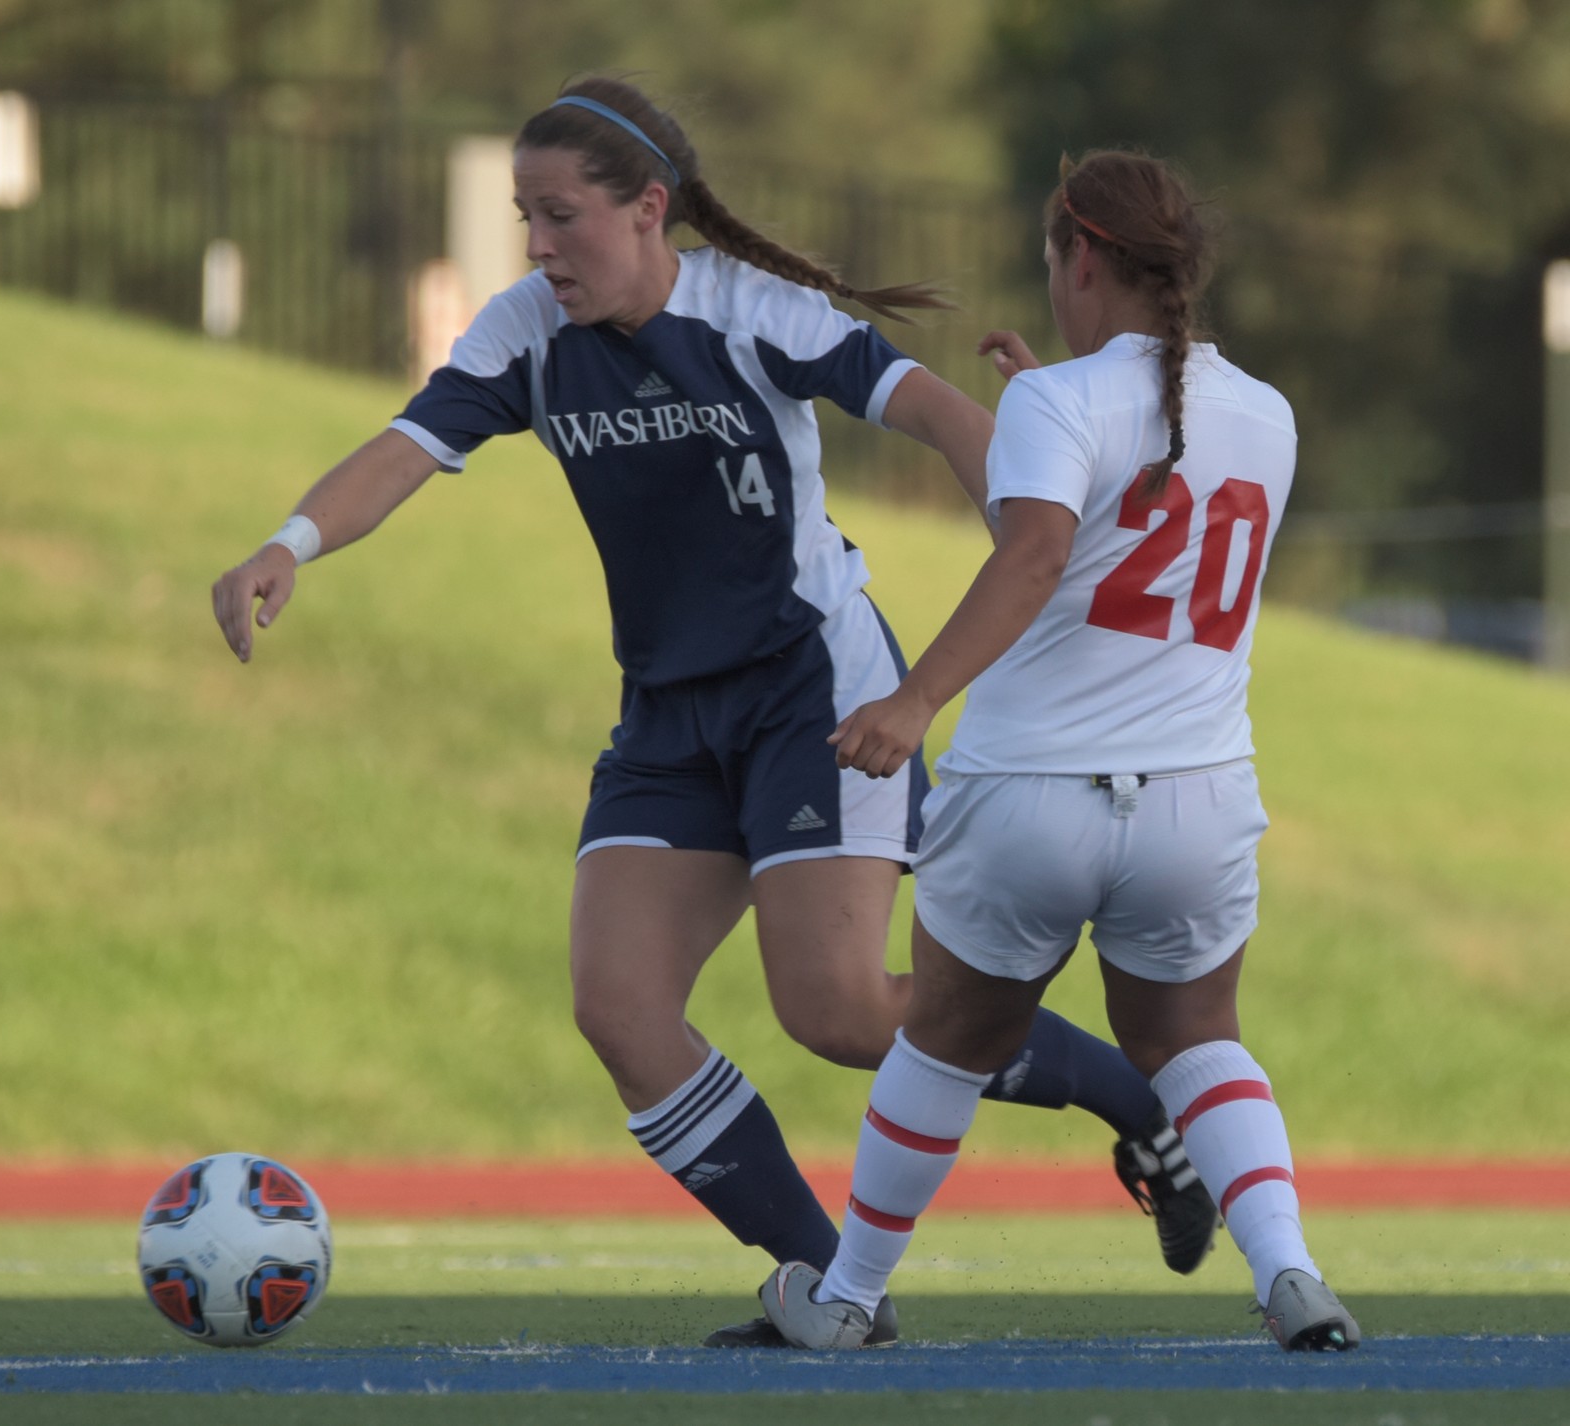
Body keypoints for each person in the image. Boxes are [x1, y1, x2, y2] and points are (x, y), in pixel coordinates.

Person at [210, 82, 1218, 1348]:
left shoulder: (753, 312)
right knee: (620, 1008)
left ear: (647, 211)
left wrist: (1026, 544)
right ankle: (831, 1289)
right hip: (669, 715)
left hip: (818, 690)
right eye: (524, 216)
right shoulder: (527, 331)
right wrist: (289, 542)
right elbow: (406, 445)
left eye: (559, 215)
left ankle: (1142, 1104)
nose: (534, 245)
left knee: (841, 1014)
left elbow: (942, 418)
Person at [756, 149, 1359, 1353]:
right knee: (1194, 1039)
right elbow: (1139, 530)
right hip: (1195, 799)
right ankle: (1289, 1269)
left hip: (1030, 794)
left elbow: (1039, 557)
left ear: (1081, 259)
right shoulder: (1268, 415)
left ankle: (845, 1294)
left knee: (944, 1037)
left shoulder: (1059, 406)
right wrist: (1054, 405)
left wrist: (915, 698)